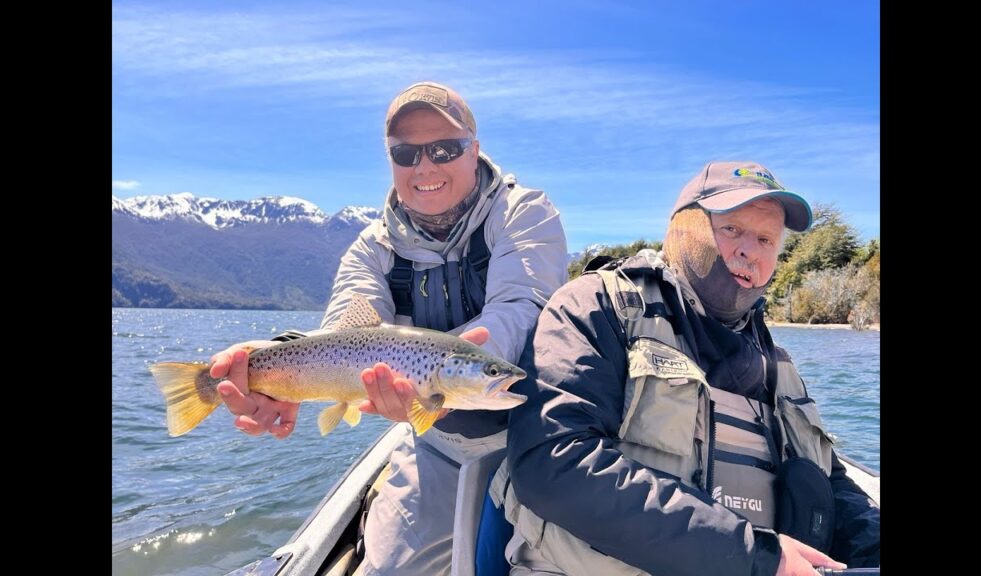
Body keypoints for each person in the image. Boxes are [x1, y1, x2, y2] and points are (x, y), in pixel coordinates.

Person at [208, 81, 569, 575]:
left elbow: (519, 306)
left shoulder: (523, 212)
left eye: (445, 148)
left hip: (541, 432)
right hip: (435, 442)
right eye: (406, 153)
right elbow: (342, 332)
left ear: (475, 149)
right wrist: (285, 372)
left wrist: (473, 360)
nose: (425, 166)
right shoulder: (370, 249)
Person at [498, 161, 880, 576]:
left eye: (766, 239)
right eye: (732, 229)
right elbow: (553, 463)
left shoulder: (778, 364)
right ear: (684, 227)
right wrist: (752, 556)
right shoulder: (596, 306)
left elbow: (835, 486)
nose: (749, 251)